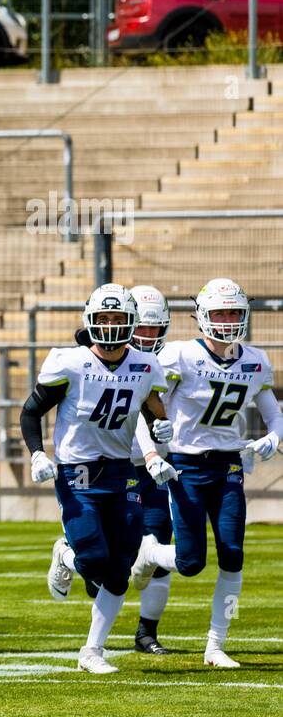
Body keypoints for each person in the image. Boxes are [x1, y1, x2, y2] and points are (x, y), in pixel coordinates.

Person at [129, 278, 282, 668]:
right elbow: (147, 407)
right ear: (202, 317)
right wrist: (151, 455)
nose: (228, 320)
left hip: (230, 466)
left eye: (234, 312)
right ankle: (150, 551)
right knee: (191, 562)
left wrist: (272, 439)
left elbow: (274, 416)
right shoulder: (180, 356)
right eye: (219, 313)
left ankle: (215, 646)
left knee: (233, 555)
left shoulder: (255, 361)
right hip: (186, 467)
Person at [21, 284, 170, 674]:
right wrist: (38, 453)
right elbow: (30, 412)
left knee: (120, 567)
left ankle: (92, 651)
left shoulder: (145, 364)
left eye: (117, 319)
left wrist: (163, 425)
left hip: (122, 471)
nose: (109, 326)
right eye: (103, 319)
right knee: (94, 562)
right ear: (90, 321)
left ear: (130, 322)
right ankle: (65, 554)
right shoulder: (69, 362)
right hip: (78, 473)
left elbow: (153, 407)